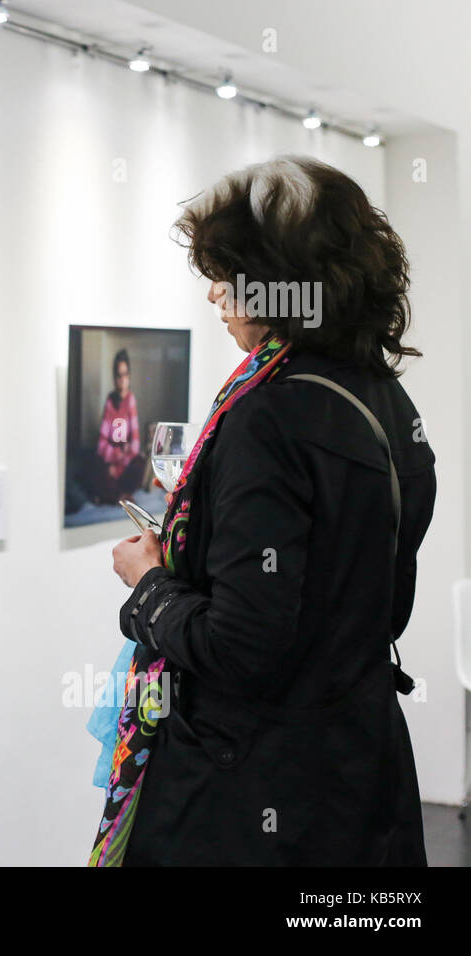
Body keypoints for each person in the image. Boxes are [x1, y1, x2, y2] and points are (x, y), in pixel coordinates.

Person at [90, 155, 435, 866]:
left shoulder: (268, 416)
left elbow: (240, 647)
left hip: (256, 794)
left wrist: (150, 583)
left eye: (229, 274)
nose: (215, 294)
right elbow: (363, 592)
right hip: (361, 772)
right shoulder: (384, 397)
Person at [91, 349, 148, 503]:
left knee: (140, 462)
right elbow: (102, 444)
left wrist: (120, 464)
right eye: (119, 375)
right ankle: (118, 496)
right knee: (94, 462)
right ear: (114, 378)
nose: (122, 380)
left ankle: (113, 495)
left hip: (125, 464)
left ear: (129, 376)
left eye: (125, 375)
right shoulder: (110, 401)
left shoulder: (131, 401)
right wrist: (114, 457)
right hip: (110, 462)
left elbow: (135, 444)